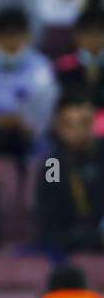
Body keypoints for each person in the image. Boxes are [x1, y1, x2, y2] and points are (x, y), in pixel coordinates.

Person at [0, 6, 58, 159]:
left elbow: (40, 117)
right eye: (6, 37)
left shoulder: (42, 69)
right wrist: (0, 120)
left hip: (31, 144)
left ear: (27, 37)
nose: (12, 43)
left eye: (17, 36)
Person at [36, 91, 104, 256]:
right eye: (69, 124)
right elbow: (49, 222)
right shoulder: (54, 165)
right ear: (58, 126)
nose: (77, 131)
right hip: (71, 242)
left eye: (83, 122)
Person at [52, 7, 104, 118]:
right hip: (73, 123)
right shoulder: (63, 65)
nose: (94, 38)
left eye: (99, 32)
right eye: (88, 32)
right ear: (76, 35)